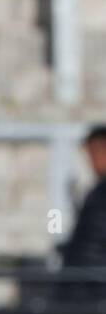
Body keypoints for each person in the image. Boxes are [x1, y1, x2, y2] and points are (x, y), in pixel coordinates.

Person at [58, 125, 106, 302]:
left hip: (92, 291)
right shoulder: (97, 191)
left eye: (94, 152)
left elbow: (94, 244)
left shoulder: (101, 193)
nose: (91, 160)